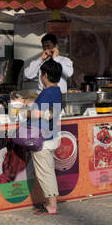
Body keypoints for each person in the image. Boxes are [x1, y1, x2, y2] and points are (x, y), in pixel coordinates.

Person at [28, 58, 66, 215]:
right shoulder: (57, 91)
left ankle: (51, 205)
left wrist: (24, 111)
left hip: (42, 139)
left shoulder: (47, 92)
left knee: (45, 172)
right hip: (51, 137)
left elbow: (37, 114)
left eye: (41, 74)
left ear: (45, 76)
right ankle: (51, 202)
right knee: (48, 170)